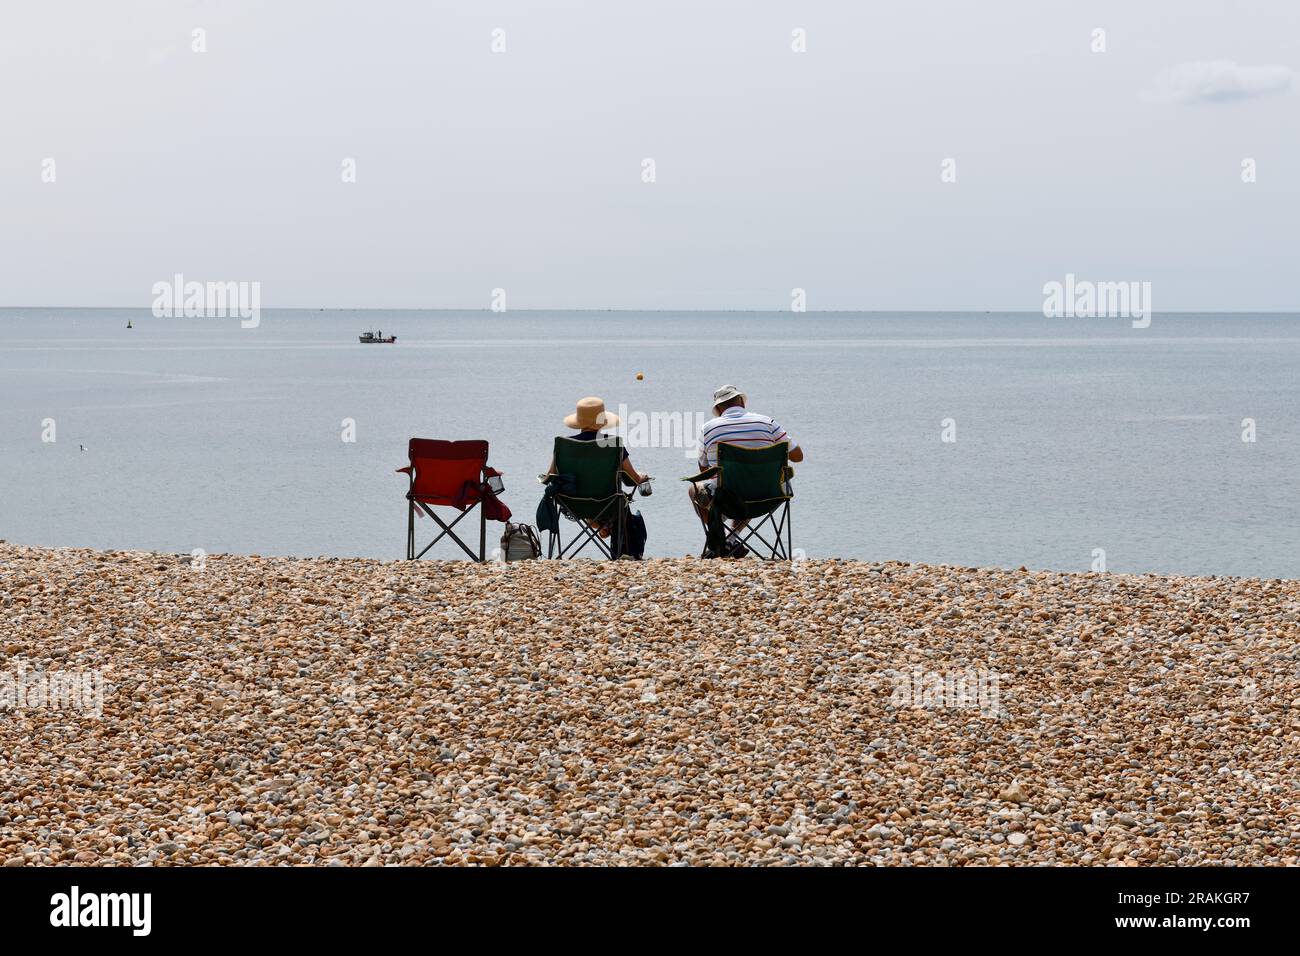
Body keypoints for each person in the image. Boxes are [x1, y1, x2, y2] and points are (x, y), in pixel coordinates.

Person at [689, 384, 803, 556]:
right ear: (741, 401)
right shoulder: (769, 423)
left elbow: (703, 469)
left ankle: (719, 539)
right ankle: (731, 539)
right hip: (769, 494)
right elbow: (798, 456)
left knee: (694, 489)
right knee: (752, 480)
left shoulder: (708, 428)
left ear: (718, 409)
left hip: (727, 497)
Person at [546, 396, 649, 548]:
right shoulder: (614, 445)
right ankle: (608, 527)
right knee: (616, 501)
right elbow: (633, 478)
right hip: (608, 503)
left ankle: (597, 523)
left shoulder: (565, 445)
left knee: (586, 494)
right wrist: (642, 477)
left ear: (579, 421)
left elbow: (550, 476)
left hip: (571, 504)